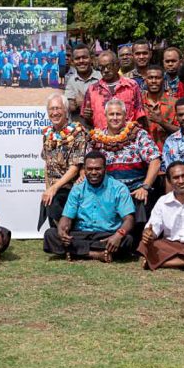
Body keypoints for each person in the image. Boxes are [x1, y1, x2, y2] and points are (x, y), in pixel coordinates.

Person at [43, 152, 136, 262]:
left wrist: (118, 235)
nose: (93, 172)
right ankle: (96, 254)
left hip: (107, 235)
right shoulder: (77, 188)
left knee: (127, 240)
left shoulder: (119, 189)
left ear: (105, 169)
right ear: (84, 169)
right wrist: (62, 230)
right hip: (81, 234)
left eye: (98, 169)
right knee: (51, 234)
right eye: (90, 169)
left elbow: (129, 219)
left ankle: (76, 252)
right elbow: (67, 217)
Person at [89, 99, 162, 220]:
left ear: (125, 116)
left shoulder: (138, 134)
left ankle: (140, 238)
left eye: (119, 114)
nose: (115, 118)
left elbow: (155, 161)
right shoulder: (97, 138)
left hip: (135, 189)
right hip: (107, 190)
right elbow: (87, 163)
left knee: (142, 202)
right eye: (111, 114)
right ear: (105, 116)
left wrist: (145, 187)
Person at [40, 93, 87, 226]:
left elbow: (75, 168)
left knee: (64, 228)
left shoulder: (77, 132)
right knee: (54, 230)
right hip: (53, 190)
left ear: (66, 111)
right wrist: (48, 188)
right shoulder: (47, 133)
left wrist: (54, 188)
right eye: (51, 109)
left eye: (58, 108)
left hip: (70, 189)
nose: (54, 113)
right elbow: (47, 164)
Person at [82, 51, 146, 131]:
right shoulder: (92, 90)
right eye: (101, 67)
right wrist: (87, 118)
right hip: (102, 139)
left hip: (128, 139)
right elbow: (88, 122)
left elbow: (139, 116)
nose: (105, 70)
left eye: (109, 66)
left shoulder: (131, 86)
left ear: (117, 66)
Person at [64, 44, 101, 124]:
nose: (81, 61)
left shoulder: (101, 78)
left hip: (100, 130)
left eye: (84, 57)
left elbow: (107, 102)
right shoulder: (70, 81)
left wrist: (83, 101)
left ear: (91, 59)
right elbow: (71, 106)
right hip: (78, 131)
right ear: (73, 61)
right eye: (77, 58)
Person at [142, 65, 178, 149]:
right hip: (144, 155)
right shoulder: (138, 102)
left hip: (169, 152)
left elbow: (182, 131)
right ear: (145, 80)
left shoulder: (174, 103)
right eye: (150, 78)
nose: (154, 81)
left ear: (163, 80)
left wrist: (161, 122)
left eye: (157, 78)